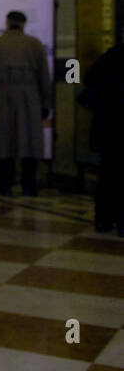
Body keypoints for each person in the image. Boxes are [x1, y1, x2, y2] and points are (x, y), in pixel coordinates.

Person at [0, 10, 51, 197]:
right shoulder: (35, 44)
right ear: (24, 24)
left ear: (7, 22)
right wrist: (46, 104)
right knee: (30, 142)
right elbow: (44, 77)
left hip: (4, 97)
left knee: (5, 144)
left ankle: (5, 185)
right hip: (30, 97)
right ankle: (29, 185)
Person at [78, 43, 124, 233]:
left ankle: (103, 219)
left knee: (107, 174)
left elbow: (89, 78)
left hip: (108, 126)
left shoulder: (112, 55)